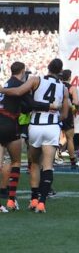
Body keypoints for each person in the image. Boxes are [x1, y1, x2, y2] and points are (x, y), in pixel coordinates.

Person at [1, 58, 70, 213]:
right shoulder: (64, 88)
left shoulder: (35, 80)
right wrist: (54, 118)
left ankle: (33, 199)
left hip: (35, 126)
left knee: (34, 164)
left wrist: (2, 90)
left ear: (48, 67)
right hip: (52, 126)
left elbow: (18, 92)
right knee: (48, 165)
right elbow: (65, 114)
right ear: (60, 71)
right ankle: (41, 203)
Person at [0, 62, 27, 211]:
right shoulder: (20, 85)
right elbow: (28, 104)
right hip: (10, 124)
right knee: (15, 161)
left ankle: (2, 194)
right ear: (22, 71)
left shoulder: (6, 83)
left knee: (2, 162)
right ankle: (11, 199)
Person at [59, 69, 79, 169]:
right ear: (70, 77)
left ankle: (52, 158)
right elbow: (76, 102)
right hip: (67, 114)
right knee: (70, 139)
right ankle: (72, 162)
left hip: (56, 112)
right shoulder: (72, 88)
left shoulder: (57, 85)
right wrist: (75, 110)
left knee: (54, 138)